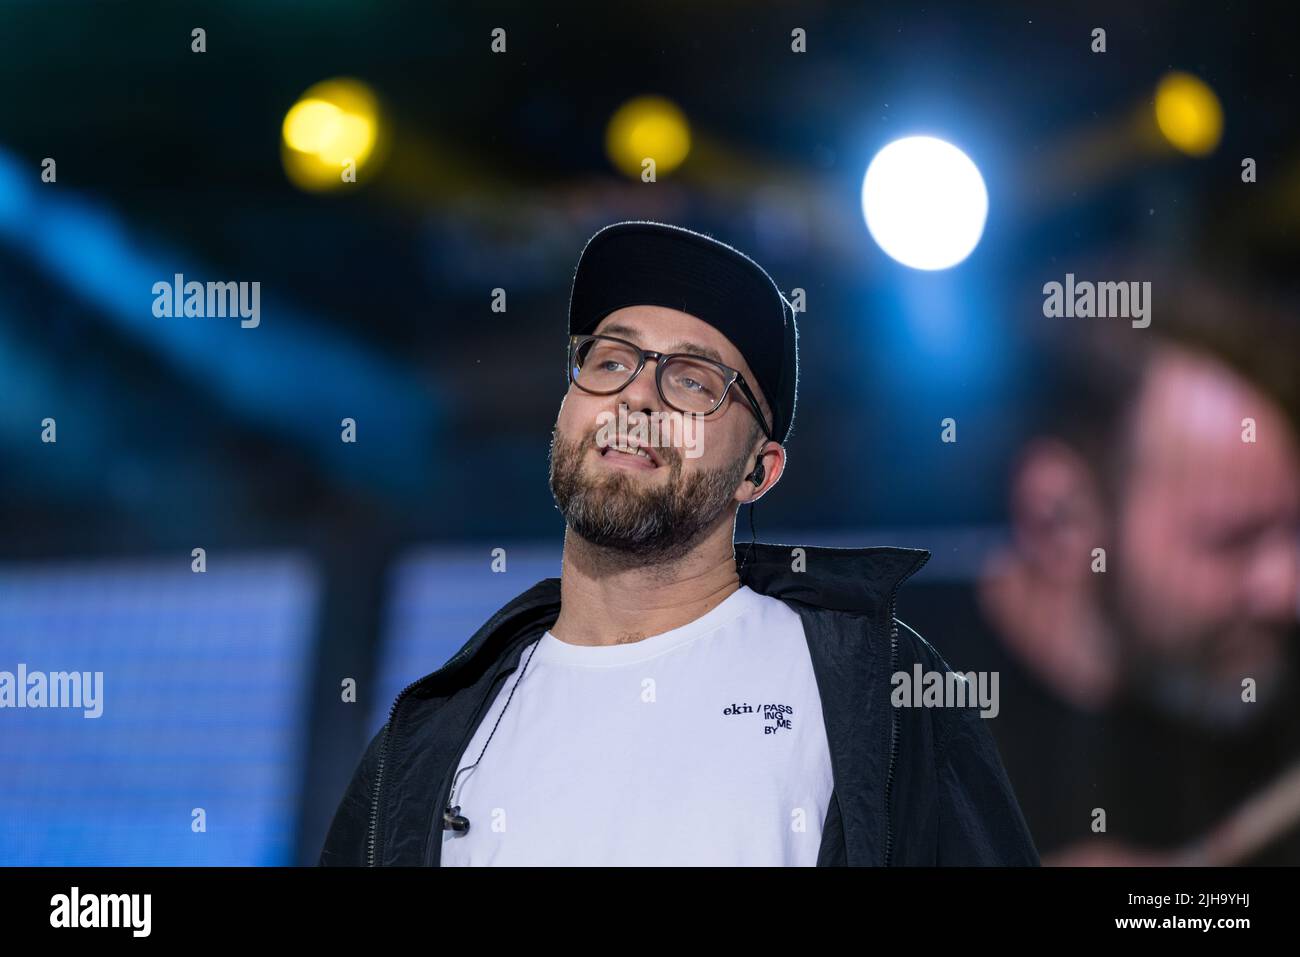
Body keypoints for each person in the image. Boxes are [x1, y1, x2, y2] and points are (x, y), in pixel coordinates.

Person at [319, 220, 1039, 866]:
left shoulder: (871, 687)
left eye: (692, 381)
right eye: (609, 362)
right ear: (566, 412)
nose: (635, 396)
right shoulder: (428, 740)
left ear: (758, 470)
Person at [900, 264, 1300, 864]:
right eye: (1232, 540)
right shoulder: (866, 725)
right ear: (1060, 519)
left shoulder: (1275, 711)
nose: (1288, 589)